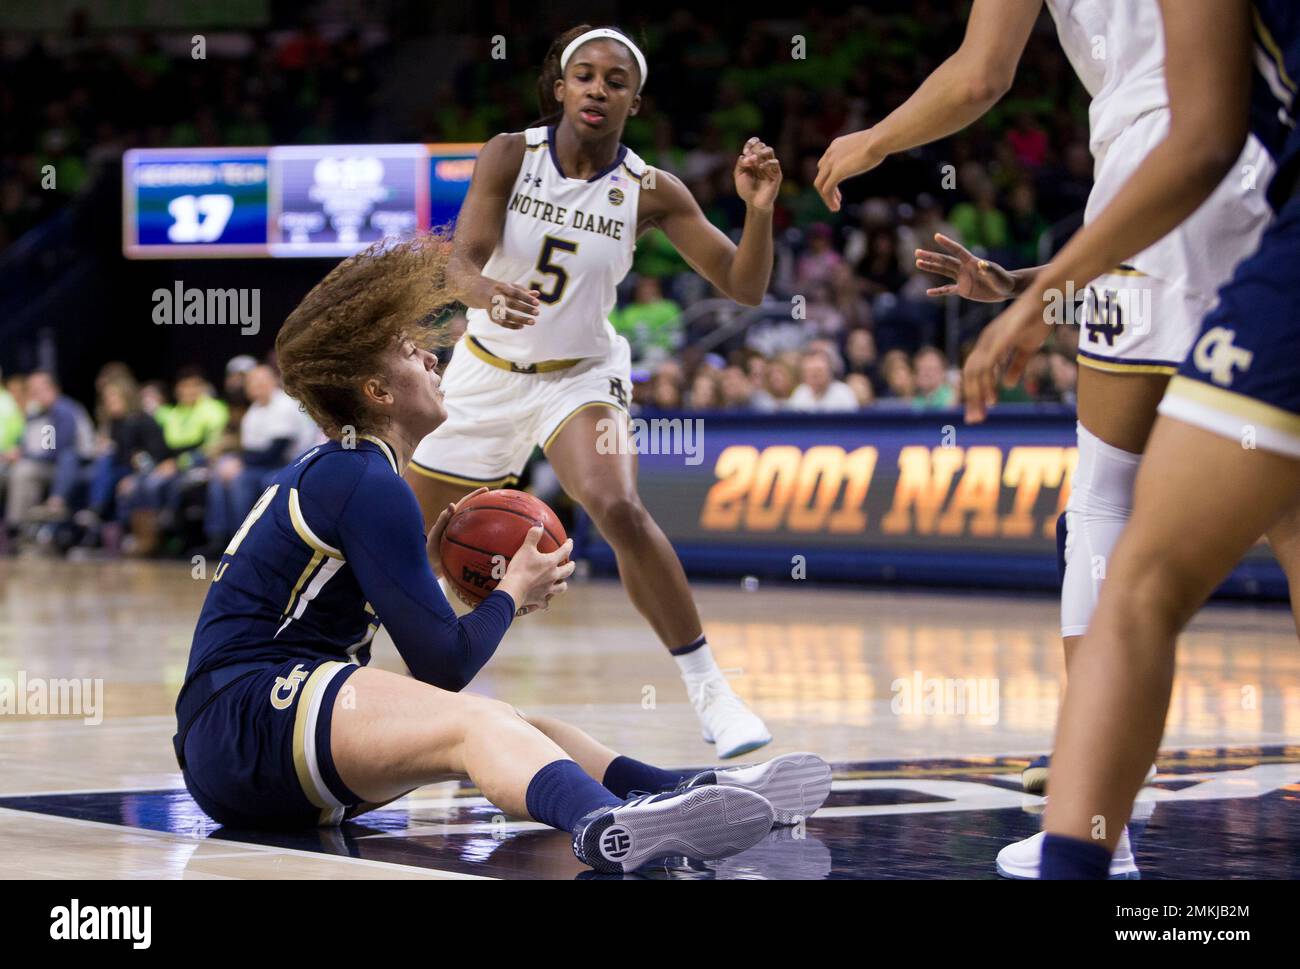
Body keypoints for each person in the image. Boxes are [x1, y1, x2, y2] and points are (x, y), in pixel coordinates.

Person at [174, 233, 831, 873]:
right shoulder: (365, 480)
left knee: (517, 725)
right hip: (248, 716)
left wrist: (436, 578)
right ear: (376, 392)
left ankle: (694, 790)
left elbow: (431, 662)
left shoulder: (350, 473)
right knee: (477, 722)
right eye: (411, 353)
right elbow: (448, 667)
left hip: (242, 743)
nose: (434, 359)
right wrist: (509, 592)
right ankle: (605, 823)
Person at [815, 0, 1300, 818]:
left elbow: (979, 75)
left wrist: (872, 140)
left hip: (1162, 160)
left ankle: (1094, 777)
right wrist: (1027, 285)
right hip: (1262, 178)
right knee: (1289, 505)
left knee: (1103, 495)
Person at [958, 0, 1300, 879]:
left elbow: (982, 74)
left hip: (1171, 167)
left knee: (1116, 523)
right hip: (1256, 202)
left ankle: (1100, 838)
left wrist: (1042, 296)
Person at [403, 25, 783, 758]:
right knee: (405, 536)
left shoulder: (652, 190)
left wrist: (760, 208)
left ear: (634, 102)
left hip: (580, 374)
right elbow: (459, 263)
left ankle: (713, 694)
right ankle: (366, 684)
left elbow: (746, 284)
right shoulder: (510, 154)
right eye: (584, 76)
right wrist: (485, 291)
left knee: (616, 504)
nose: (597, 89)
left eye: (615, 80)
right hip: (484, 369)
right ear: (560, 87)